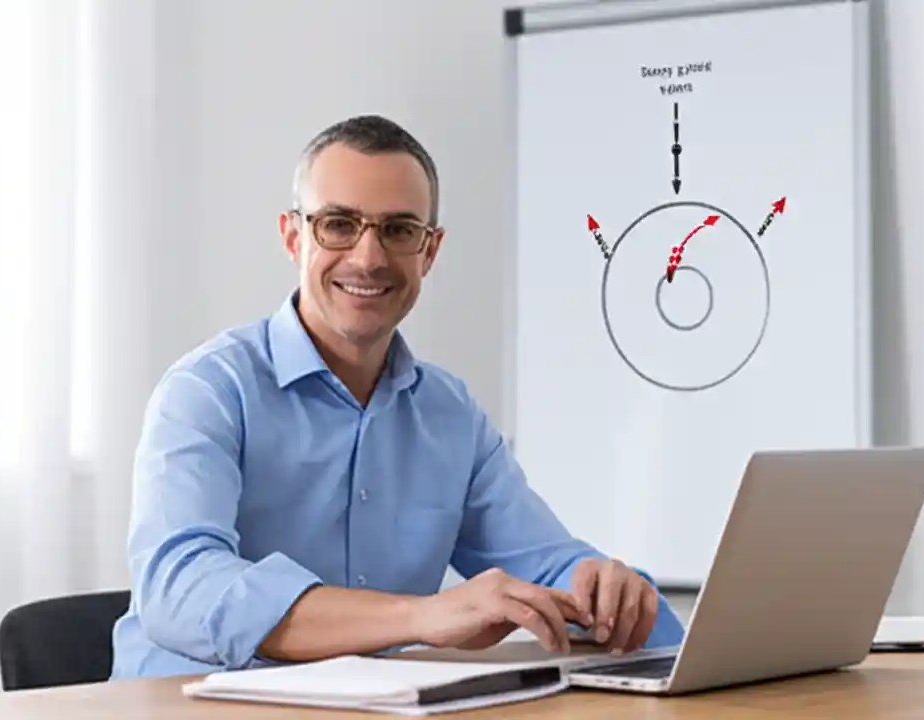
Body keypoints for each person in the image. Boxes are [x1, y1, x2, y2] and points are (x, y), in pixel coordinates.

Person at [109, 114, 685, 679]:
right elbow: (180, 588)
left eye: (399, 230)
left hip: (375, 706)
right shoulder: (207, 390)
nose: (368, 257)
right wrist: (423, 616)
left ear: (429, 252)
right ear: (292, 237)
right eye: (337, 224)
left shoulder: (450, 415)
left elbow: (544, 564)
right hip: (187, 705)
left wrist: (606, 591)